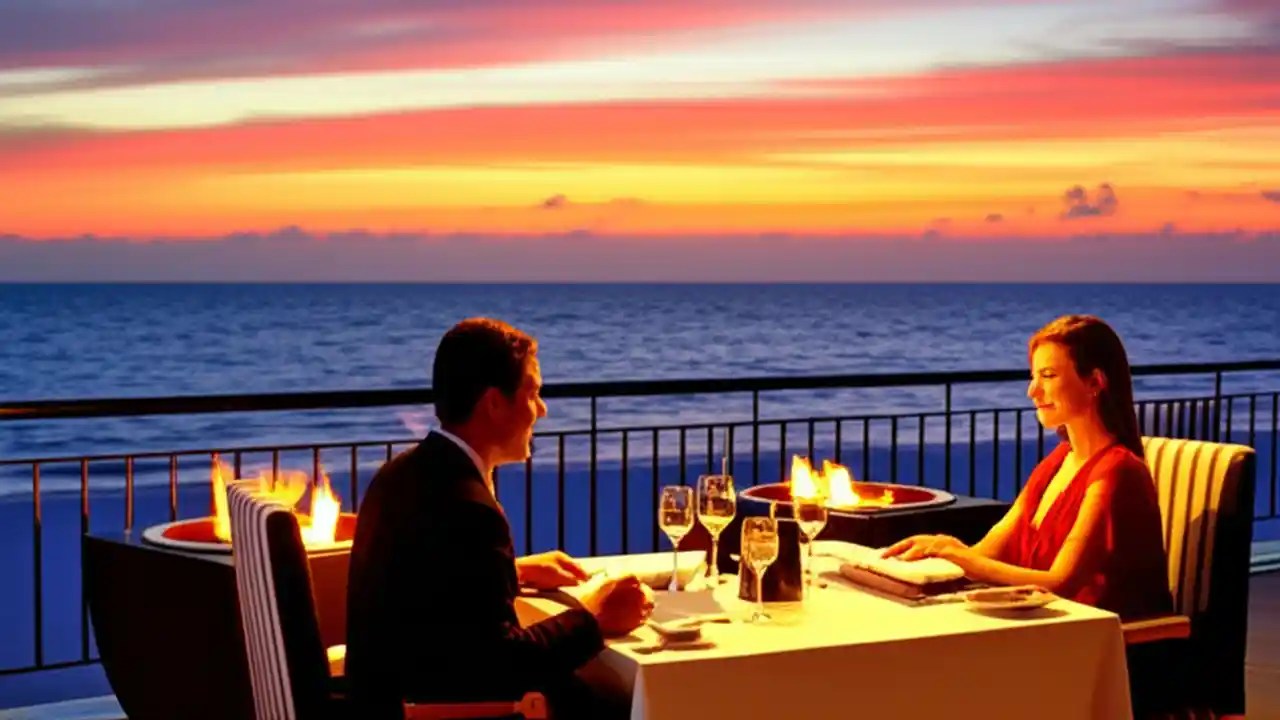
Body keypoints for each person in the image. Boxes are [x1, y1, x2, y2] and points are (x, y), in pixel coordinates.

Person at [345, 317, 652, 719]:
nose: (541, 410)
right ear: (493, 403)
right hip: (435, 710)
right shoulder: (469, 509)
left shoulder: (400, 475)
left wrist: (513, 570)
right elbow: (504, 664)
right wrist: (593, 617)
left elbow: (430, 587)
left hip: (381, 701)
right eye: (533, 393)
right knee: (620, 703)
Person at [882, 314, 1172, 621]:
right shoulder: (1059, 461)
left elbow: (1060, 583)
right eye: (1033, 376)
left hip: (1108, 643)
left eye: (1048, 376)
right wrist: (942, 546)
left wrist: (958, 556)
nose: (1032, 391)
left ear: (1095, 382)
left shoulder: (1117, 472)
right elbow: (990, 550)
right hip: (1048, 627)